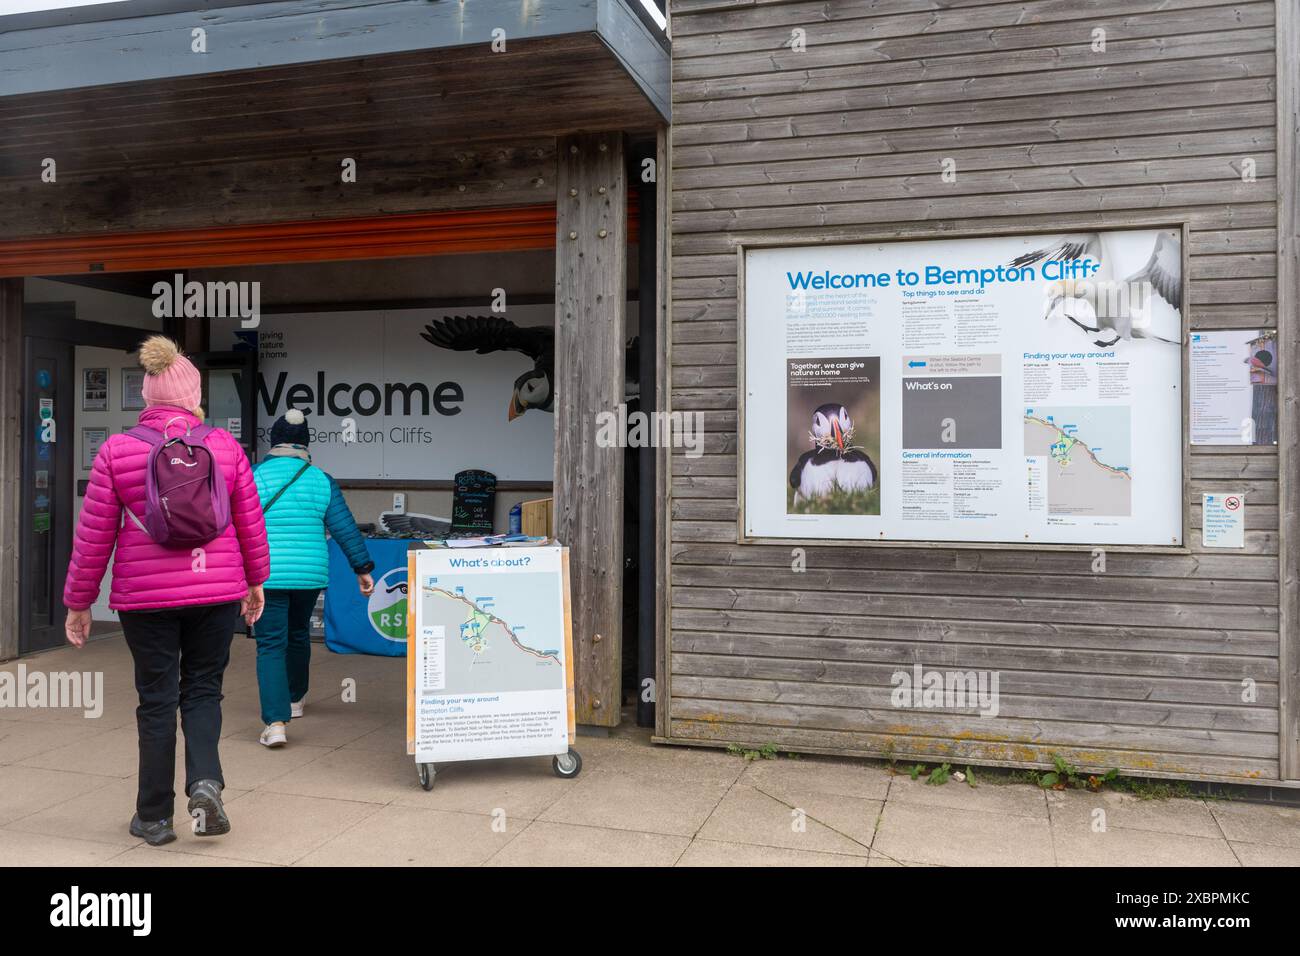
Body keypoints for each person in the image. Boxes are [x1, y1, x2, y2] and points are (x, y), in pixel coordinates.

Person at [63, 336, 270, 847]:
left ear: (148, 396)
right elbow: (249, 521)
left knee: (156, 701)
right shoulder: (224, 447)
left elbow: (94, 534)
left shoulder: (118, 450)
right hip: (216, 592)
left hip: (145, 599)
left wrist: (79, 600)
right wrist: (255, 580)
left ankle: (154, 817)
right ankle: (205, 782)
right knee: (203, 690)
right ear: (194, 394)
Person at [253, 408, 374, 748]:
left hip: (267, 574)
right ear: (305, 445)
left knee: (270, 644)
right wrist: (362, 569)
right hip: (309, 576)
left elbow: (235, 524)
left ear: (274, 442)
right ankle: (295, 698)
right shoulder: (321, 479)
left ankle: (276, 722)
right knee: (297, 634)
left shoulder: (253, 475)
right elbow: (345, 529)